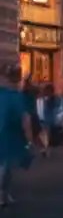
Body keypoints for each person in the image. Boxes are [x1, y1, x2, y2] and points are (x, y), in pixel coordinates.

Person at [0, 65, 33, 207]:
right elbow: (25, 119)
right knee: (6, 165)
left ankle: (5, 193)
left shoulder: (8, 94)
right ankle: (3, 194)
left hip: (8, 132)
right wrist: (29, 138)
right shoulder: (16, 96)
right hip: (9, 133)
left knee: (6, 165)